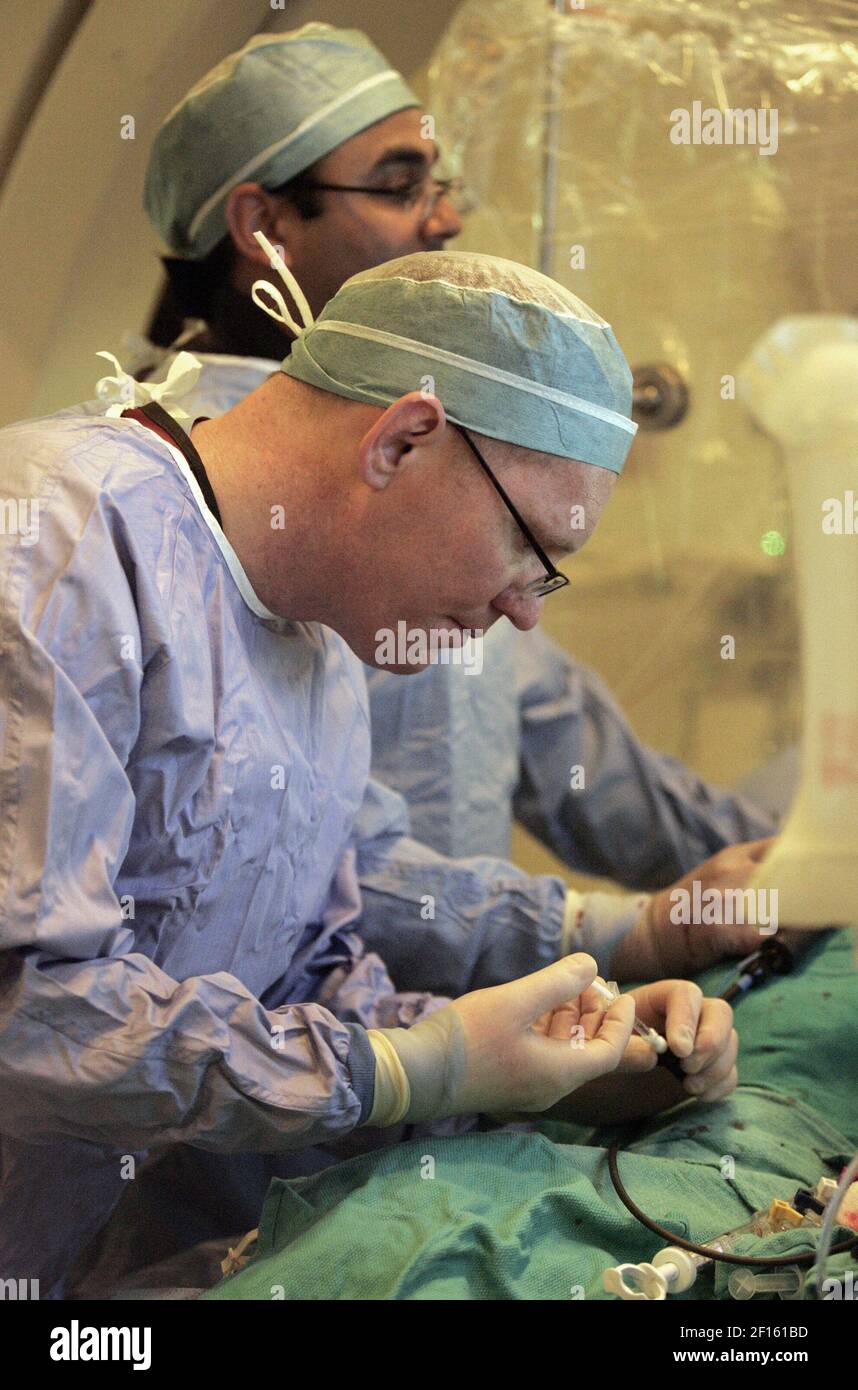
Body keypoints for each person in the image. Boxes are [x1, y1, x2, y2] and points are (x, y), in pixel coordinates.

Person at [0, 248, 743, 1298]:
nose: (525, 613)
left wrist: (552, 1071)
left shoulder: (316, 645)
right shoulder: (51, 549)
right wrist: (401, 1070)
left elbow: (298, 966)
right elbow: (31, 1004)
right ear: (403, 438)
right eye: (530, 553)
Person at [140, 24, 775, 890]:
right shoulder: (205, 499)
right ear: (264, 222)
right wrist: (584, 942)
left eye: (441, 184)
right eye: (400, 185)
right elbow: (307, 870)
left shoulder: (443, 506)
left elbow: (564, 738)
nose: (446, 217)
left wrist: (787, 862)